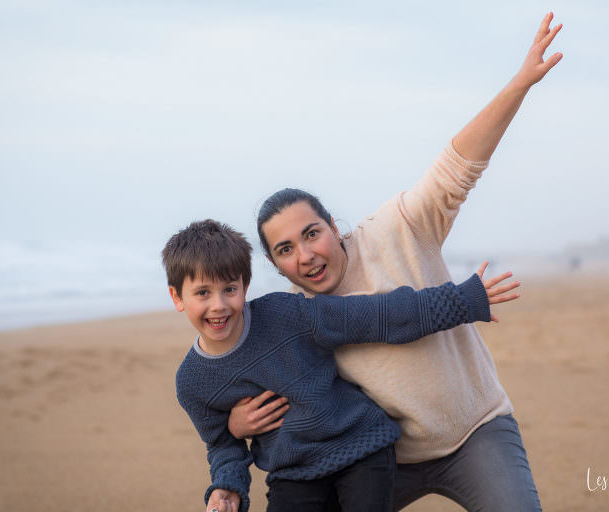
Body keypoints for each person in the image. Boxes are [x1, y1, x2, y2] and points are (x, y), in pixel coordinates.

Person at [226, 12, 563, 511]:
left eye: (312, 234)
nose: (306, 255)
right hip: (379, 457)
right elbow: (234, 378)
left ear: (333, 226)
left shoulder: (399, 228)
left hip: (476, 432)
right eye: (286, 250)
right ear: (277, 268)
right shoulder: (295, 317)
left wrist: (520, 83)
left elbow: (458, 166)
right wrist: (234, 427)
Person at [163, 220, 519, 512]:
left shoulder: (287, 315)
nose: (219, 305)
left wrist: (462, 300)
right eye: (202, 293)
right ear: (177, 296)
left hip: (360, 444)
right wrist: (226, 488)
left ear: (245, 286)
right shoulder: (193, 382)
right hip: (292, 471)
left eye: (229, 289)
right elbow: (222, 446)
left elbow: (379, 316)